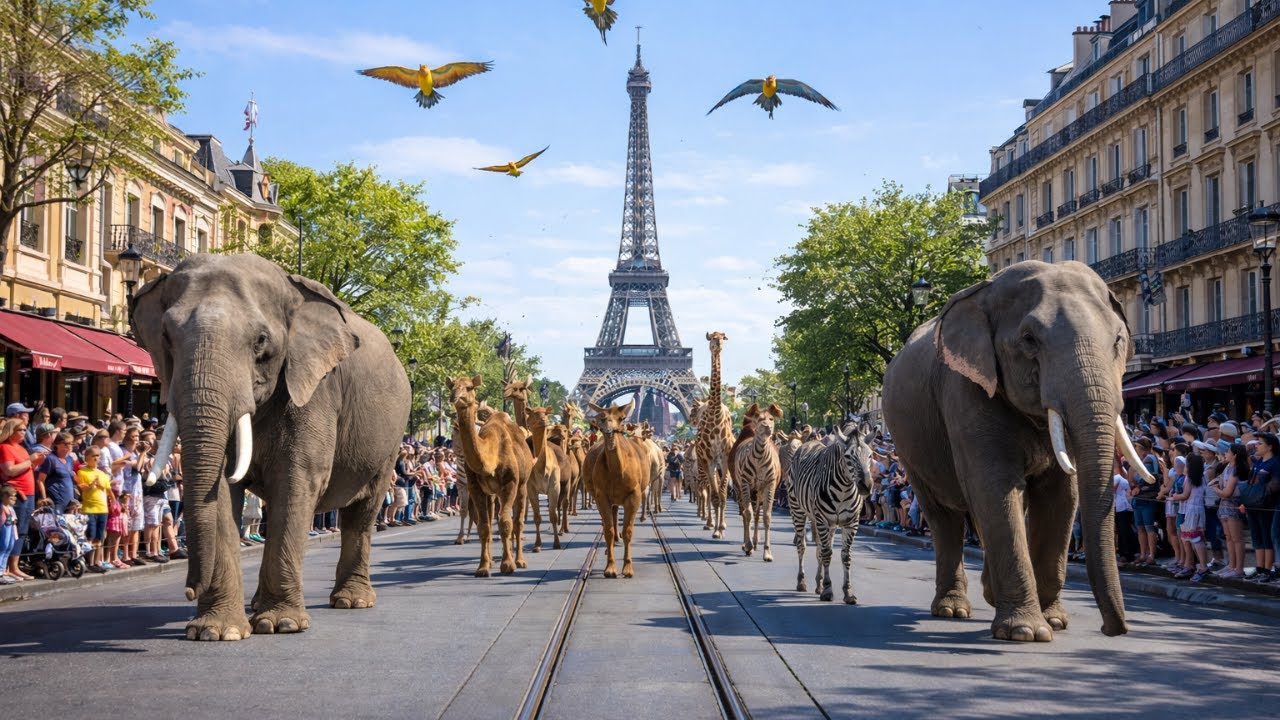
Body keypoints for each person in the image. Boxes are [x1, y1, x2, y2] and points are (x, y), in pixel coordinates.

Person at [0, 416, 43, 580]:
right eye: (21, 429)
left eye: (25, 429)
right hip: (15, 494)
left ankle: (14, 566)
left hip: (29, 493)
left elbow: (26, 467)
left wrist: (35, 462)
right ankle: (5, 567)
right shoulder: (4, 447)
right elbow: (9, 470)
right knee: (10, 530)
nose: (25, 432)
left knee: (22, 531)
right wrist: (30, 460)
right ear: (12, 431)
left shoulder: (22, 448)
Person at [1211, 442, 1248, 578]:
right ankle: (1231, 565)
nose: (1225, 454)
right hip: (1224, 506)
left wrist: (1215, 489)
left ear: (1235, 455)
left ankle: (1239, 568)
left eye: (1228, 451)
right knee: (1229, 537)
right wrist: (1218, 488)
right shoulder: (1227, 467)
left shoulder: (1237, 469)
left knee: (1237, 538)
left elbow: (1226, 491)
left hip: (1233, 506)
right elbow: (1221, 484)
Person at [1171, 453, 1210, 582]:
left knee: (1195, 539)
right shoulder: (1203, 477)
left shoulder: (1189, 478)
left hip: (1191, 510)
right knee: (1195, 539)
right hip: (1199, 509)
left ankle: (1202, 567)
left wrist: (1175, 496)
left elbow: (1185, 495)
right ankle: (1196, 566)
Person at [75, 446, 113, 573]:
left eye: (98, 456)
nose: (96, 458)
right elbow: (82, 488)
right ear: (86, 458)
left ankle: (97, 561)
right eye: (93, 456)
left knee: (100, 536)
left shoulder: (103, 474)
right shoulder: (83, 472)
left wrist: (113, 501)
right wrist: (92, 485)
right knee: (90, 536)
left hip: (103, 508)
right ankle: (89, 562)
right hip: (89, 508)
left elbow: (108, 490)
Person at [35, 431, 77, 514]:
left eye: (71, 443)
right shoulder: (51, 459)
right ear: (57, 444)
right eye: (66, 443)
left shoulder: (70, 459)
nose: (69, 446)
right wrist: (44, 498)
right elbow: (40, 480)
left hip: (69, 502)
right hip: (56, 501)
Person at [0, 486, 19, 584]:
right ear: (4, 496)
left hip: (11, 529)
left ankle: (3, 571)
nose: (15, 500)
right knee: (3, 548)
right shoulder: (2, 507)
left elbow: (14, 519)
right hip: (4, 528)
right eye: (12, 498)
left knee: (8, 548)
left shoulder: (11, 508)